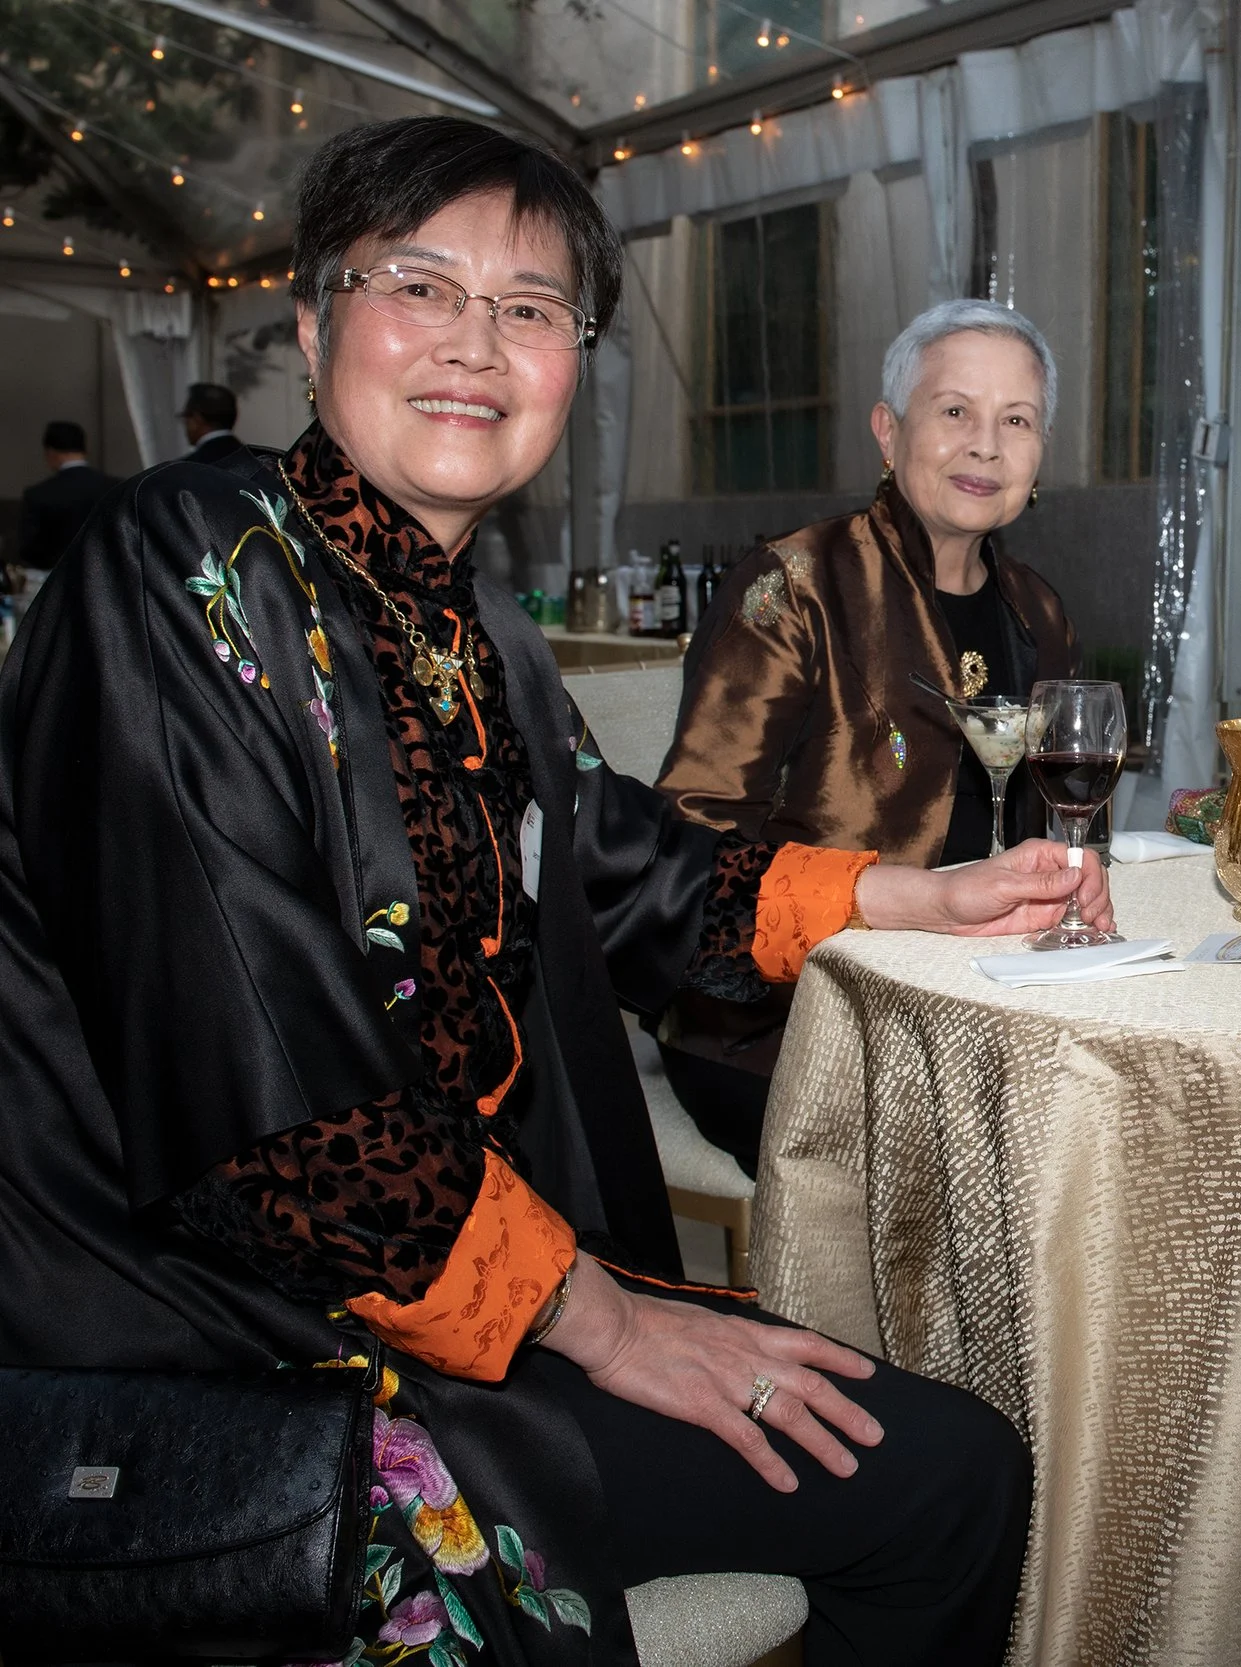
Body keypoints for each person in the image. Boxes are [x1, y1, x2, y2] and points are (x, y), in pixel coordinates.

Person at [0, 116, 1115, 1667]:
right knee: (930, 1475)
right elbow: (267, 1093)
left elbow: (636, 872)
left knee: (955, 1462)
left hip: (474, 1281)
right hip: (227, 1335)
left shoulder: (483, 634)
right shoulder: (183, 570)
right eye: (421, 285)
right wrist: (601, 1316)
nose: (476, 343)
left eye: (530, 308)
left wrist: (924, 897)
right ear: (315, 325)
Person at [653, 298, 1078, 1174]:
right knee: (1026, 1144)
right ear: (888, 430)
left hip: (982, 989)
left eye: (1017, 420)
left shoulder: (1034, 608)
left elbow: (1044, 830)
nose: (986, 445)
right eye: (954, 410)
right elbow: (691, 838)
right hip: (793, 1015)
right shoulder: (796, 587)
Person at [15, 418, 118, 572]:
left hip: (55, 579)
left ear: (50, 452)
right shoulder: (116, 487)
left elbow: (30, 550)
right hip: (107, 576)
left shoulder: (39, 494)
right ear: (85, 450)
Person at [180, 380, 247, 463]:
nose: (185, 423)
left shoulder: (185, 468)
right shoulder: (257, 462)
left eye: (185, 416)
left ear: (197, 418)